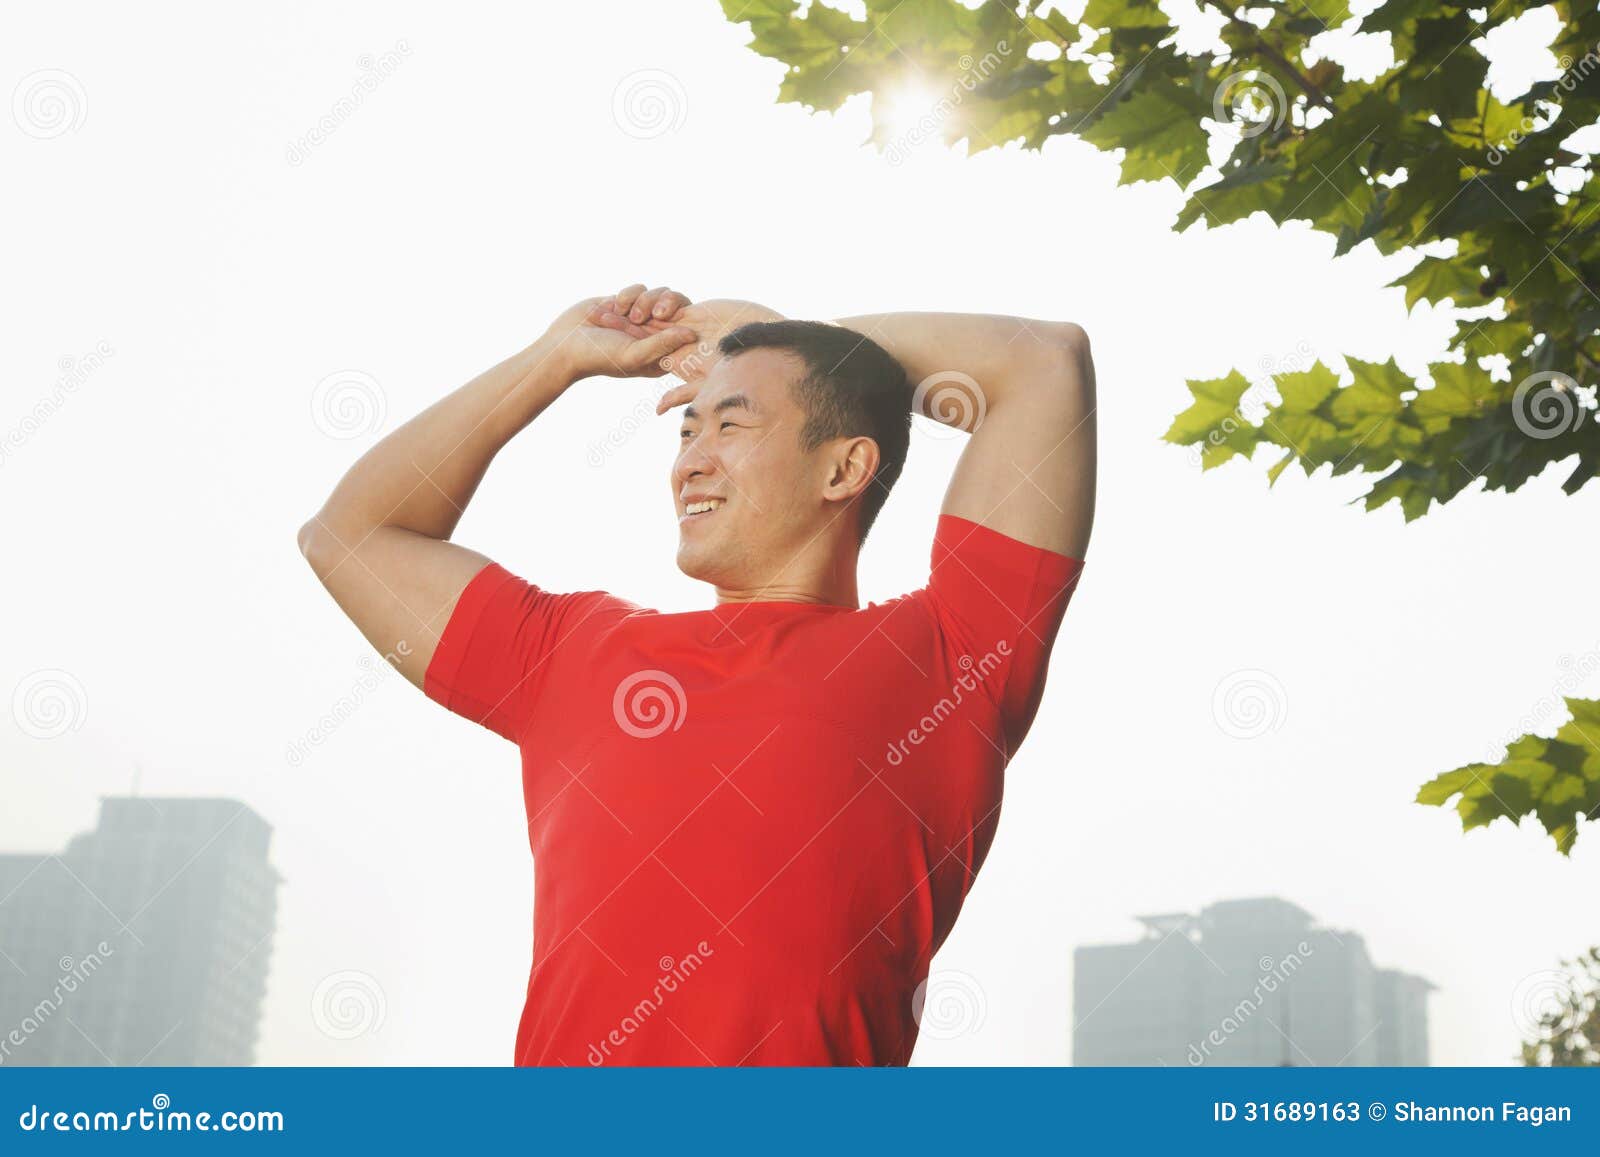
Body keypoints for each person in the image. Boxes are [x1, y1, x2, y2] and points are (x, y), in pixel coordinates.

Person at [298, 283, 1097, 1065]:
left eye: (730, 423)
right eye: (685, 433)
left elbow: (1044, 364)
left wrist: (788, 334)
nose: (691, 463)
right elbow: (351, 536)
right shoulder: (570, 652)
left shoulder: (953, 657)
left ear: (845, 468)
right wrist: (553, 360)